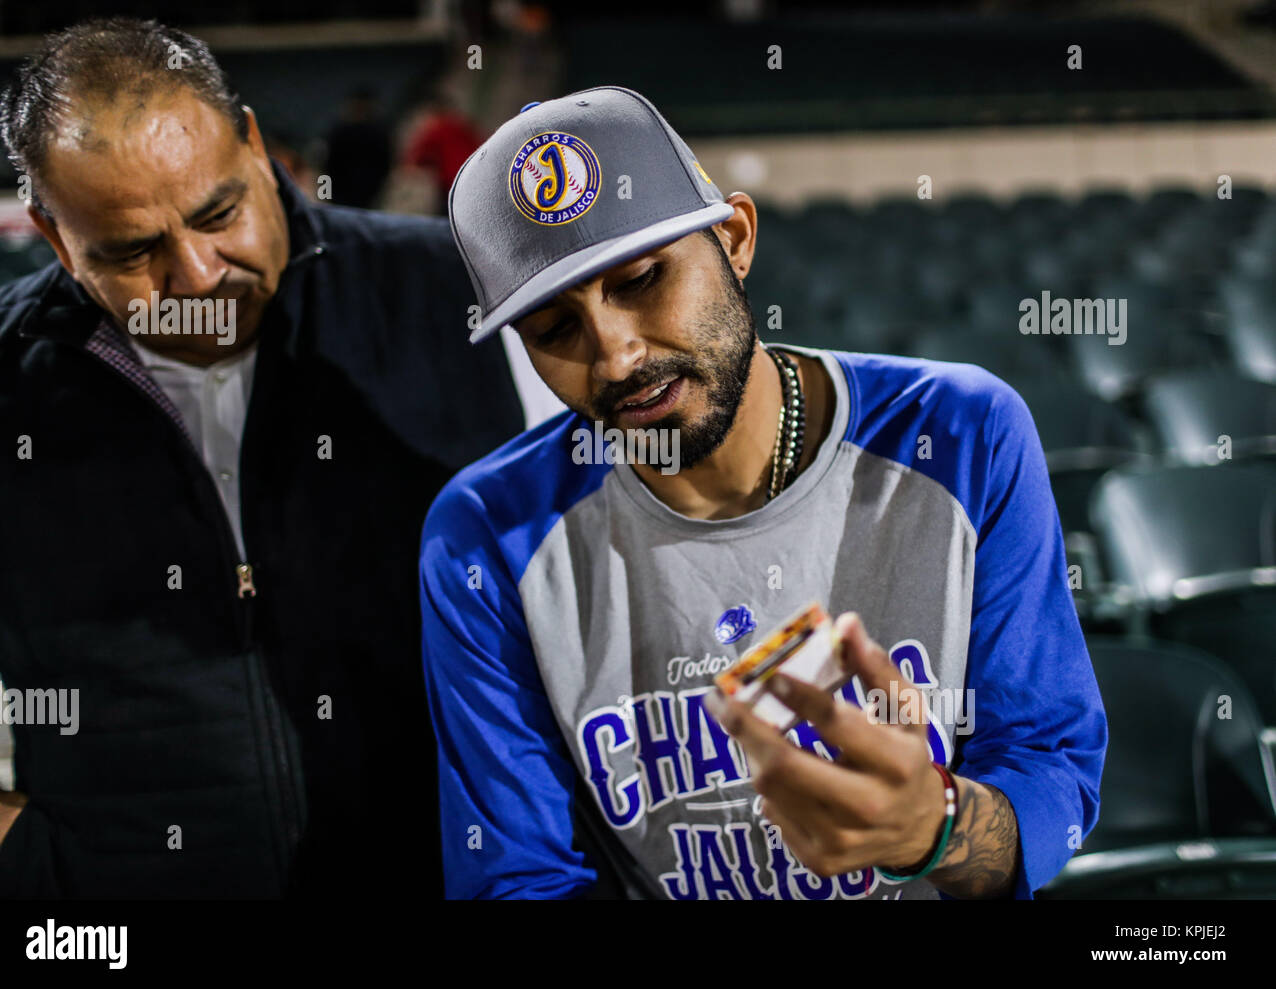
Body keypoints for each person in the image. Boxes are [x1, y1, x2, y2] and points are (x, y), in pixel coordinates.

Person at [421, 86, 1108, 899]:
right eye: (554, 330)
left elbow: (1049, 768)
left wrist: (938, 828)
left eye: (641, 279)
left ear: (735, 238)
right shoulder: (485, 534)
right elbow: (518, 878)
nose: (614, 356)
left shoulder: (962, 433)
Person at [0, 17, 537, 898]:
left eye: (218, 212)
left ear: (254, 144)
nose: (198, 275)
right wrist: (8, 863)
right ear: (52, 237)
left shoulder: (462, 293)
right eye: (132, 251)